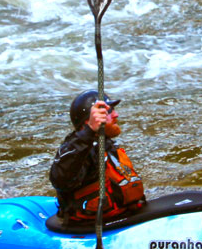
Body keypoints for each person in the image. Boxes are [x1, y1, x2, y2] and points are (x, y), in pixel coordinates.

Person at [50, 90, 146, 224]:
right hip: (88, 226)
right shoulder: (76, 149)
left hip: (121, 214)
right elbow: (60, 179)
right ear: (89, 121)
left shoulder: (106, 144)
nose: (116, 114)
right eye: (109, 111)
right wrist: (88, 131)